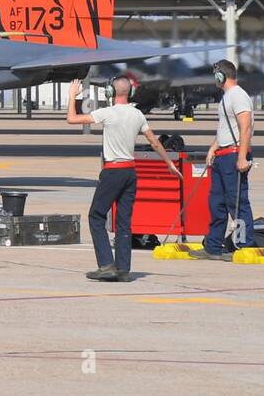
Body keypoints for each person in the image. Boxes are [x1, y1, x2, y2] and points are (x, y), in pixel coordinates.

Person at [67, 77, 181, 281]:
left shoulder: (107, 113)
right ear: (130, 92)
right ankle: (123, 269)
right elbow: (154, 142)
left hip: (112, 170)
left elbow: (72, 119)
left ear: (111, 92)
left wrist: (71, 96)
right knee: (124, 221)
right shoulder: (137, 115)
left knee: (96, 216)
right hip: (130, 172)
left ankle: (105, 264)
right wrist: (170, 164)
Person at [196, 59, 256, 260]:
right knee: (217, 203)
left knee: (237, 203)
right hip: (222, 155)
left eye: (216, 75)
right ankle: (213, 246)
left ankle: (243, 246)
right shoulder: (226, 98)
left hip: (233, 156)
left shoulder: (238, 96)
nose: (214, 79)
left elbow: (244, 128)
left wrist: (241, 157)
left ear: (221, 76)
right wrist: (213, 148)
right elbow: (225, 129)